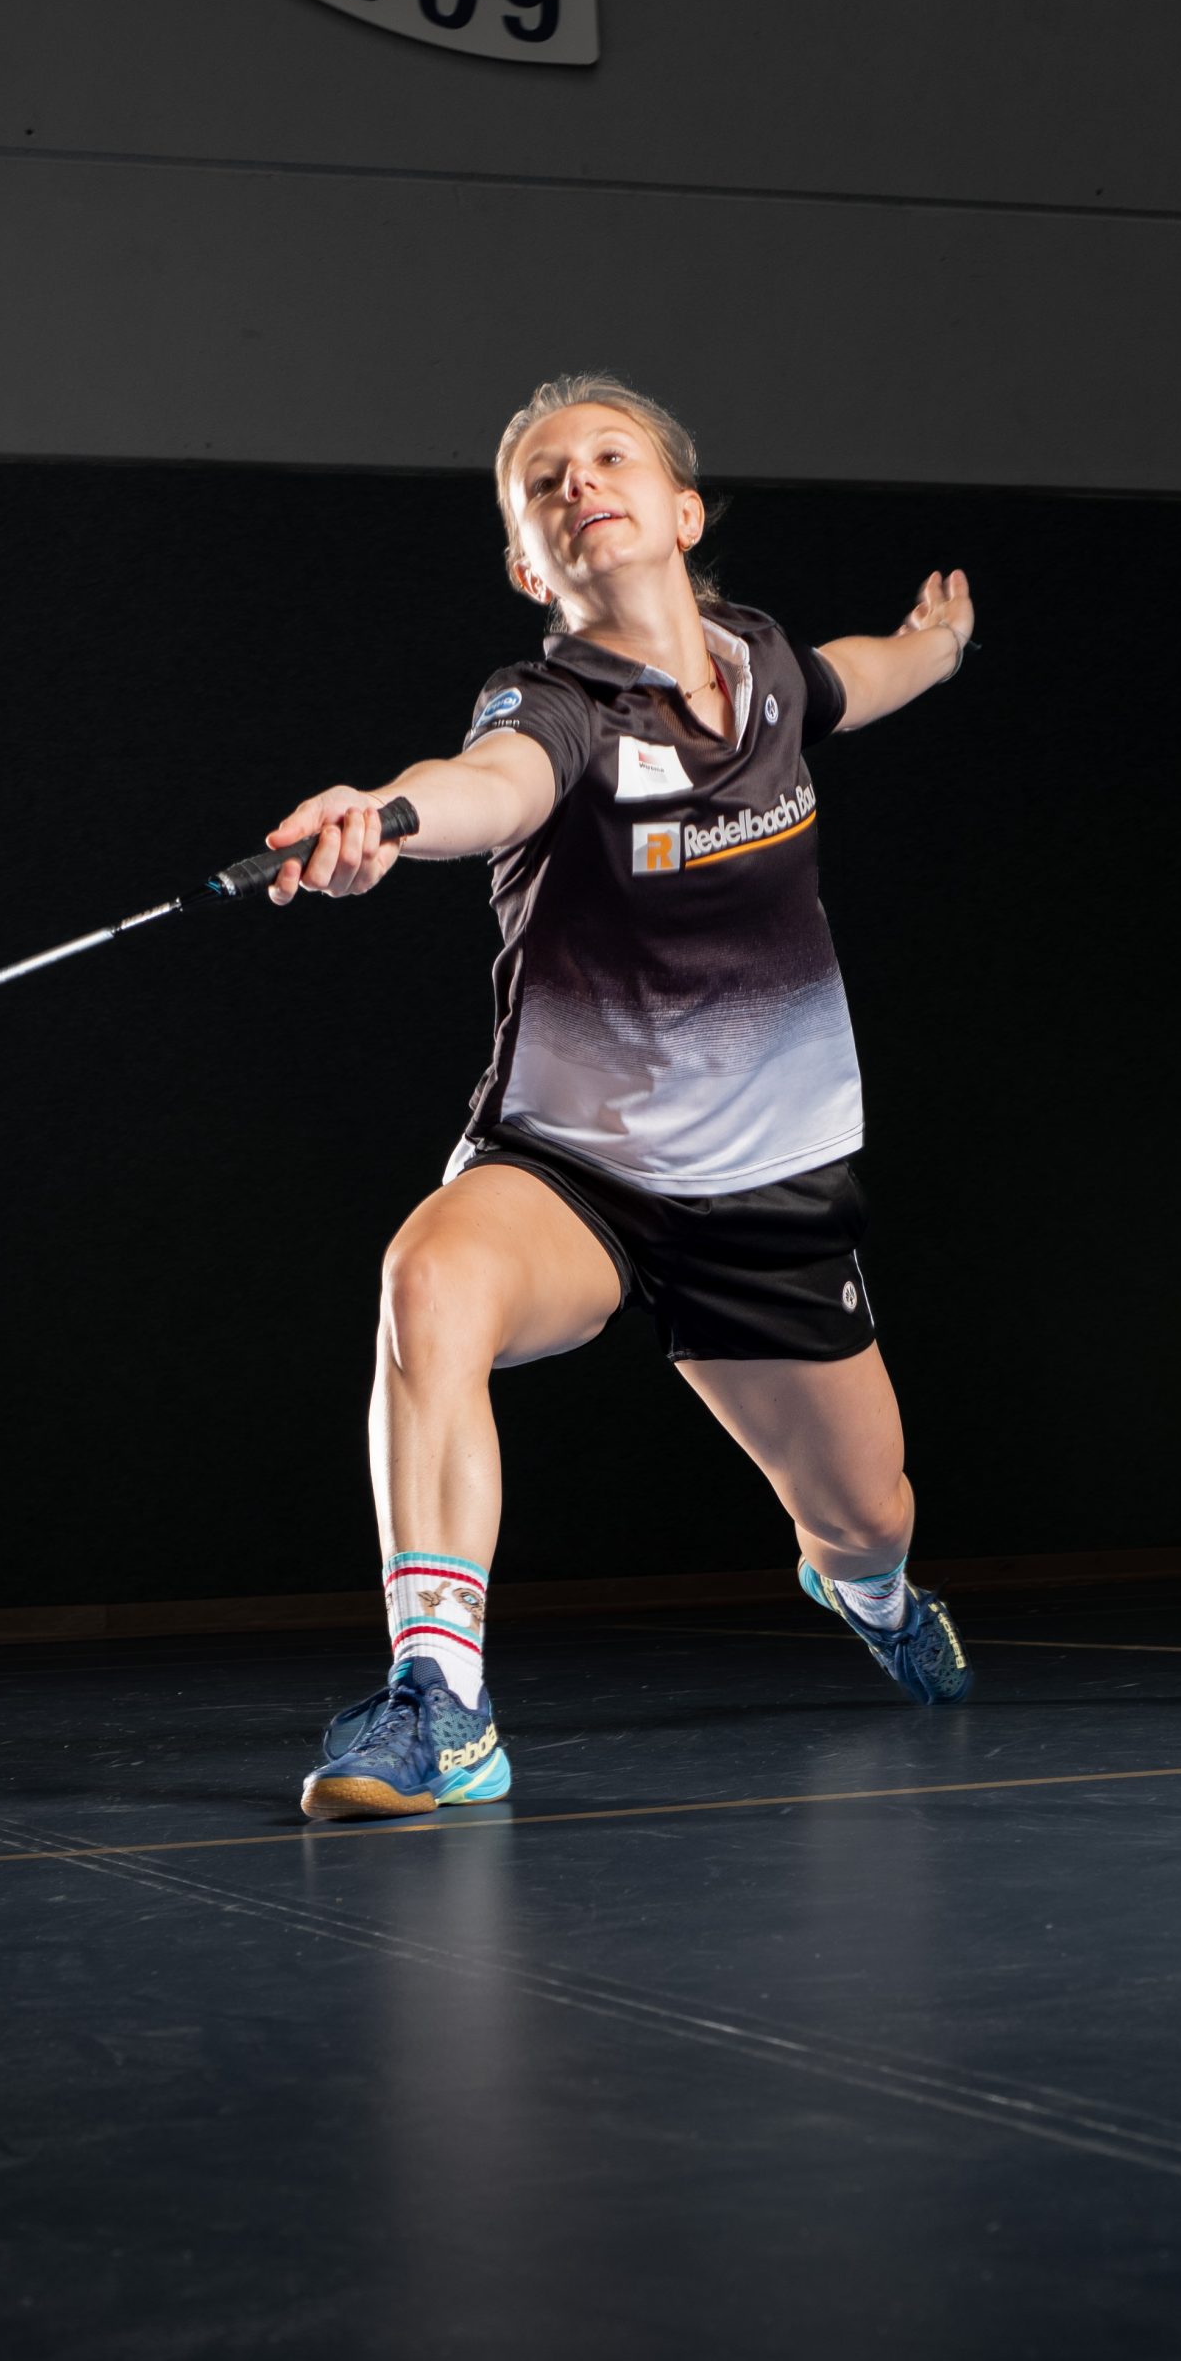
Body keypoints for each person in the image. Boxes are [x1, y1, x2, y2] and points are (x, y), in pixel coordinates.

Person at [267, 376, 977, 1823]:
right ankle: (438, 1701)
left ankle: (866, 1588)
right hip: (573, 1173)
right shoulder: (554, 705)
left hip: (770, 1189)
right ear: (531, 564)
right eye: (543, 482)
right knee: (430, 1280)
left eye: (609, 457)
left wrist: (935, 643)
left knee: (866, 1515)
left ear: (680, 510)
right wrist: (386, 823)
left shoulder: (765, 669)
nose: (579, 480)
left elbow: (859, 675)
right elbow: (487, 785)